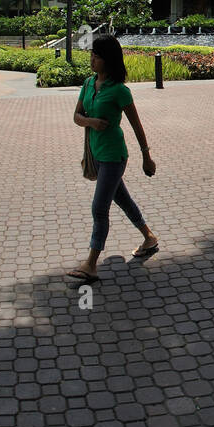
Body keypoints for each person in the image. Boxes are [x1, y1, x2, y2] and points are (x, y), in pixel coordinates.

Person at [68, 34, 159, 283]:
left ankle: (91, 264)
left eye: (97, 55)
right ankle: (149, 237)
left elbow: (137, 126)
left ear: (108, 60)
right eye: (92, 54)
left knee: (99, 208)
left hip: (114, 157)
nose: (92, 59)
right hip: (96, 154)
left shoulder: (120, 91)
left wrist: (146, 157)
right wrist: (91, 122)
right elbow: (76, 116)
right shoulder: (88, 84)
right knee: (123, 200)